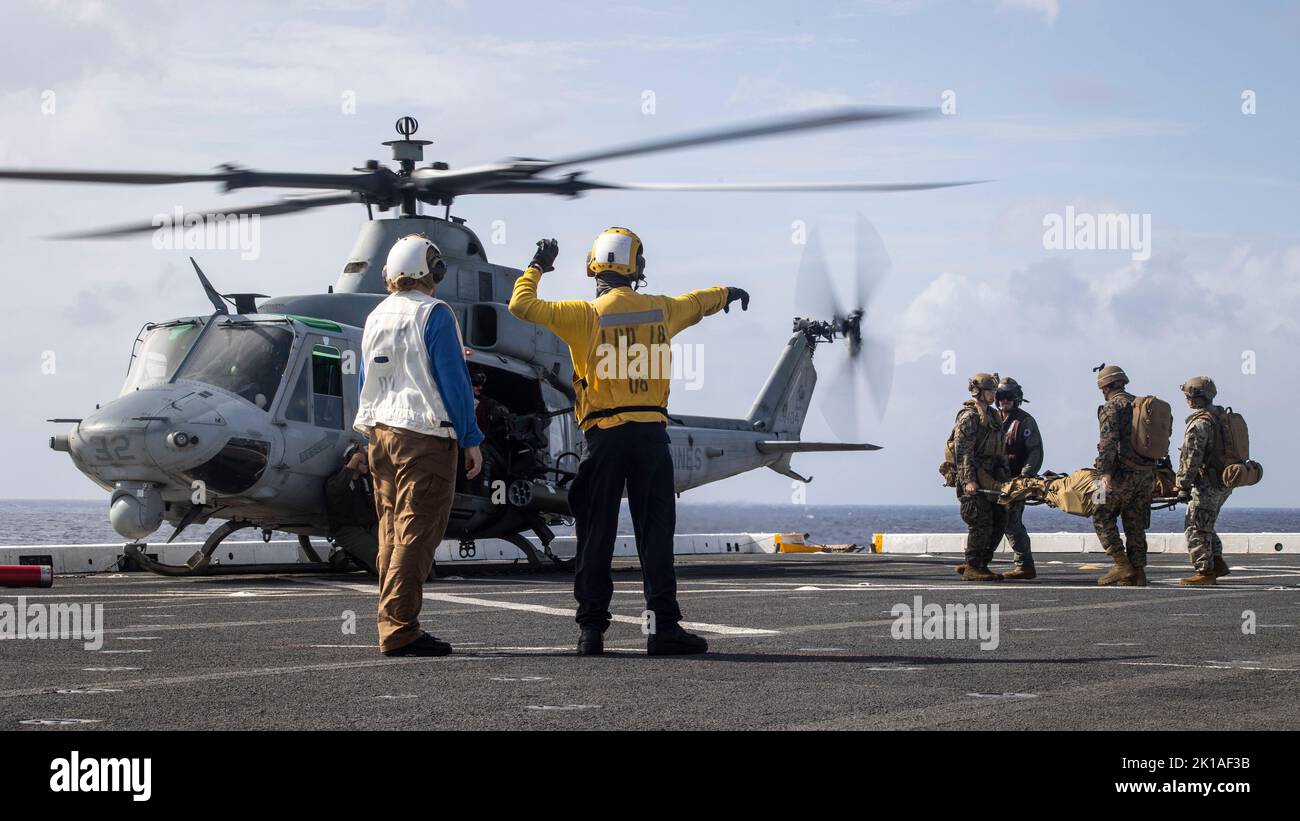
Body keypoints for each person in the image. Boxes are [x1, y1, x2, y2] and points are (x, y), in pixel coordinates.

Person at [508, 228, 749, 656]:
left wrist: (538, 266)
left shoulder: (582, 315)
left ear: (592, 267)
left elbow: (521, 305)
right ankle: (663, 629)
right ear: (636, 268)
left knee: (595, 533)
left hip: (603, 438)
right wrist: (727, 292)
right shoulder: (660, 310)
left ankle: (591, 632)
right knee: (655, 536)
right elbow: (699, 302)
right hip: (652, 439)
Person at [354, 234, 483, 657]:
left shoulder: (374, 316)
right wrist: (471, 438)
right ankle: (399, 629)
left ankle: (391, 620)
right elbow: (454, 383)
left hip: (380, 435)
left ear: (389, 274)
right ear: (435, 271)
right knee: (417, 531)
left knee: (390, 530)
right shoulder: (435, 314)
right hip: (425, 436)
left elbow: (364, 382)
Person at [1092, 365, 1155, 586]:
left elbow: (1107, 444)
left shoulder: (1112, 407)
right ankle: (1138, 572)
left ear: (1104, 387)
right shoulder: (1142, 405)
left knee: (1099, 513)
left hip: (1120, 475)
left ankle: (1121, 564)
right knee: (1135, 523)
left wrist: (1104, 475)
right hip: (1146, 476)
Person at [950, 373, 1009, 581]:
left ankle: (980, 563)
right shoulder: (969, 417)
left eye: (994, 390)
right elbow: (963, 451)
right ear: (978, 391)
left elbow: (1001, 450)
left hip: (992, 478)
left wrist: (1006, 478)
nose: (993, 394)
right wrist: (968, 481)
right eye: (989, 390)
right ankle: (973, 566)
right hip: (974, 479)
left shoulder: (993, 416)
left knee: (1000, 520)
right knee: (981, 521)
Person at [1175, 376, 1232, 586]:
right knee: (1206, 522)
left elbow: (1191, 457)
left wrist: (1182, 485)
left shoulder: (1200, 423)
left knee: (1194, 526)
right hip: (1224, 481)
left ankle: (1204, 572)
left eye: (1188, 395)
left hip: (1207, 482)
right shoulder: (1221, 417)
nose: (1186, 399)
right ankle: (1216, 562)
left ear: (1195, 398)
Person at [996, 377, 1043, 580]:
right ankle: (977, 562)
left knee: (1011, 522)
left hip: (1014, 481)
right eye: (1000, 396)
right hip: (992, 480)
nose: (1004, 400)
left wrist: (1026, 474)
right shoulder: (990, 418)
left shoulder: (1025, 421)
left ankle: (1025, 564)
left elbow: (1035, 450)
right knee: (988, 521)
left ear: (1017, 398)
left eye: (1008, 396)